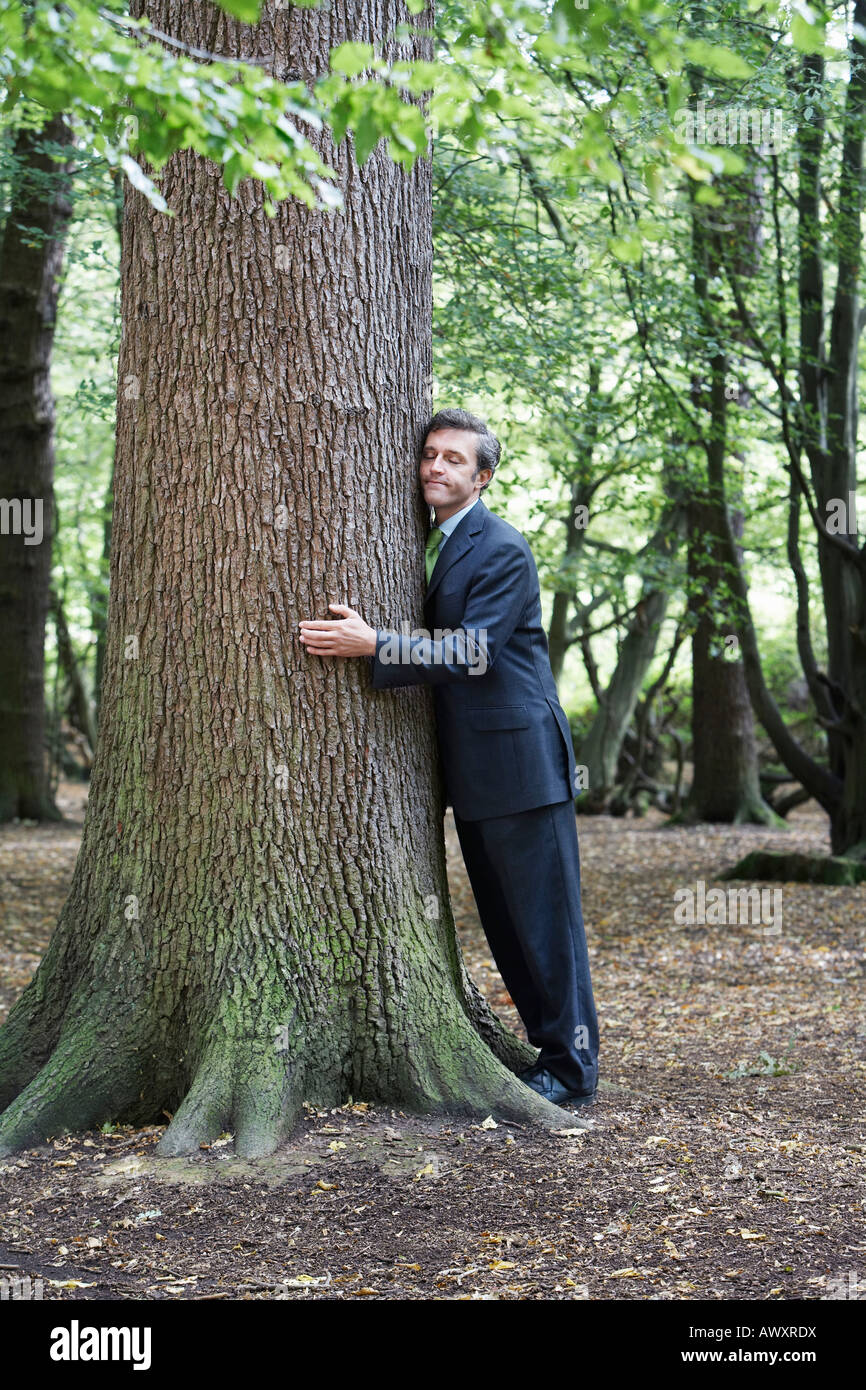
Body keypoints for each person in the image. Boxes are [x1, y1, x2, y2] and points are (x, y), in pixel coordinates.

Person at [298, 408, 599, 1106]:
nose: (436, 467)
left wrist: (378, 646)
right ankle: (548, 1058)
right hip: (476, 775)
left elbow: (472, 651)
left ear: (483, 476)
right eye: (430, 454)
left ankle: (573, 1071)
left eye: (454, 459)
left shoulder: (501, 548)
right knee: (504, 926)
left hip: (523, 770)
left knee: (546, 930)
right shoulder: (432, 542)